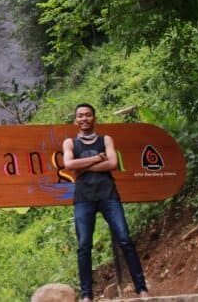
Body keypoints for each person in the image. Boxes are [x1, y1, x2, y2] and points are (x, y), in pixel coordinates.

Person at [62, 103, 149, 302]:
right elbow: (68, 165)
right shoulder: (70, 143)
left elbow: (112, 163)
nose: (84, 118)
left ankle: (141, 288)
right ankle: (86, 295)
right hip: (84, 199)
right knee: (84, 246)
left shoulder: (105, 139)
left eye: (88, 115)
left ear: (94, 118)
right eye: (80, 116)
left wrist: (81, 168)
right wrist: (96, 158)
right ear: (76, 120)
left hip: (109, 196)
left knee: (125, 239)